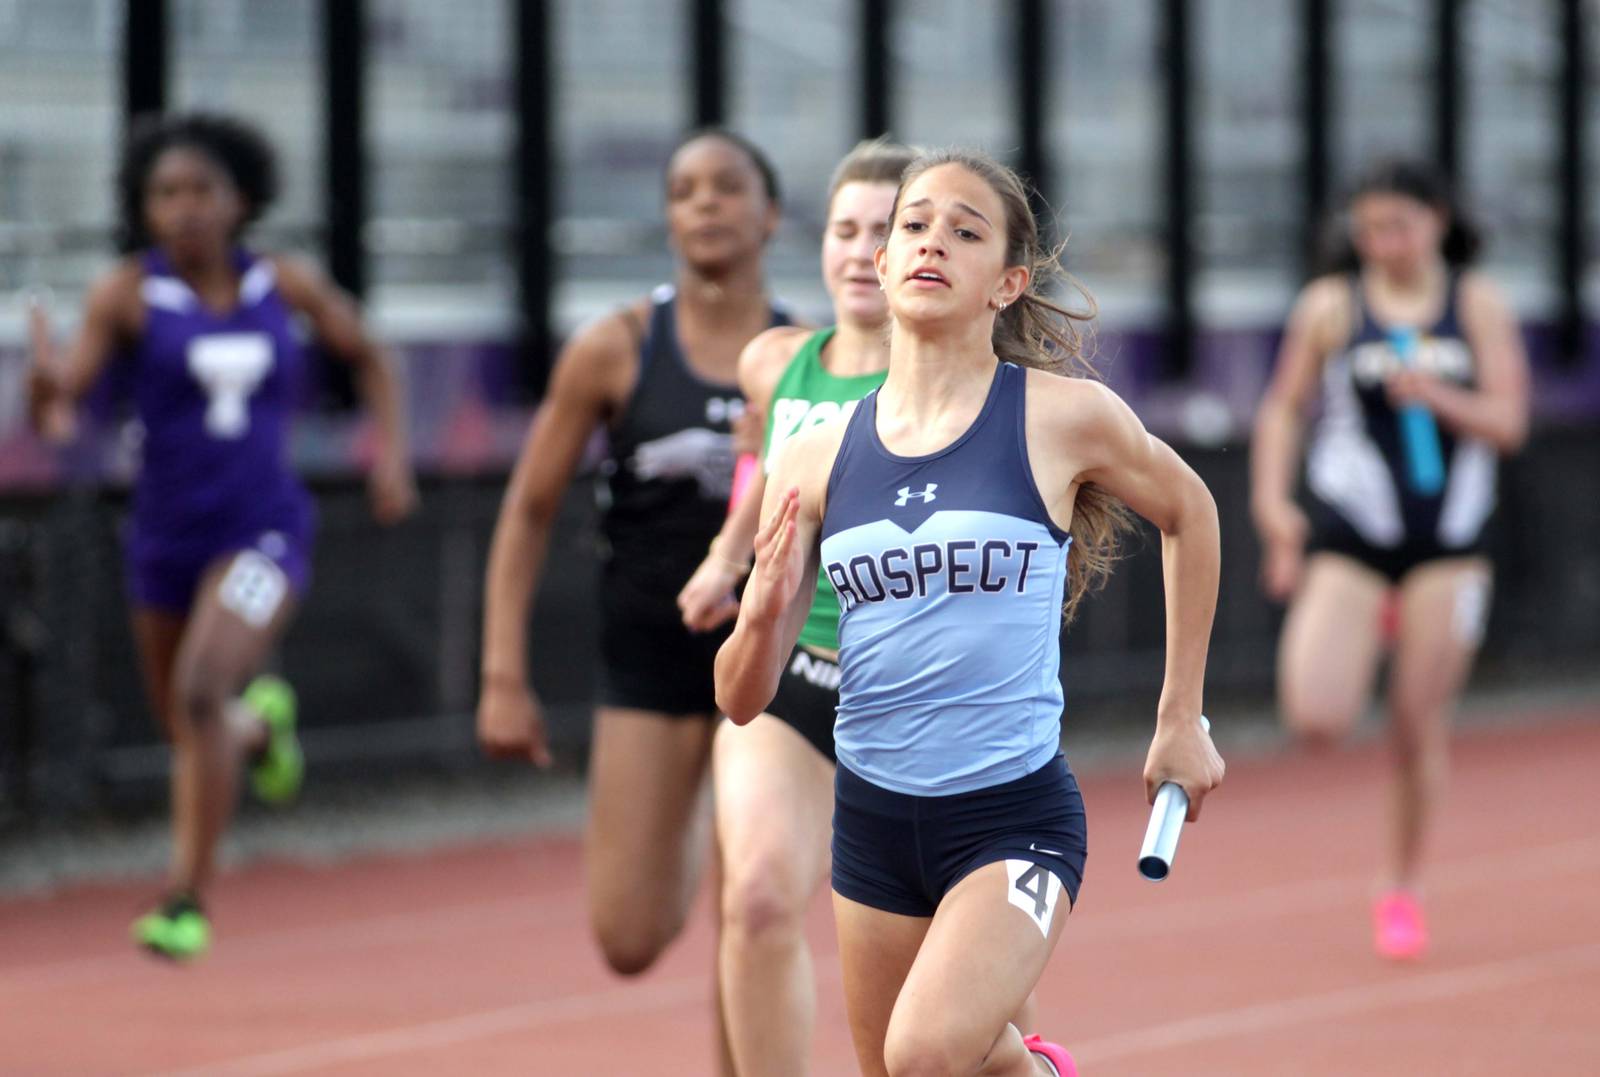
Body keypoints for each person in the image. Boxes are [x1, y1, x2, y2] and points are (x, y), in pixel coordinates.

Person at [715, 150, 1225, 1077]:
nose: (929, 244)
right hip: (870, 821)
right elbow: (742, 700)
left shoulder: (1063, 418)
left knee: (924, 1052)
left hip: (1010, 814)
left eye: (964, 230)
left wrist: (1180, 717)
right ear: (880, 263)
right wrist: (760, 610)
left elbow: (1191, 510)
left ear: (1008, 282)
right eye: (912, 226)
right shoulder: (814, 457)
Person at [25, 112, 417, 960]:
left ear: (241, 199)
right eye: (166, 193)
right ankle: (260, 730)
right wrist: (43, 387)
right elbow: (64, 410)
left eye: (202, 190)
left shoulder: (286, 283)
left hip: (263, 529)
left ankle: (185, 897)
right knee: (189, 724)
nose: (186, 208)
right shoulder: (126, 294)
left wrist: (393, 458)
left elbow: (374, 355)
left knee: (200, 688)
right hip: (163, 538)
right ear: (144, 206)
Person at [475, 130, 787, 1059]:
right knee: (628, 939)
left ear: (770, 214)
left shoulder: (807, 355)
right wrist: (501, 674)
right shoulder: (614, 347)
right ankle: (693, 827)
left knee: (756, 908)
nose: (704, 203)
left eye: (728, 186)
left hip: (765, 666)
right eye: (683, 188)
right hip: (646, 651)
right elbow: (528, 512)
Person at [675, 137, 916, 1076]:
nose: (862, 251)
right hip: (789, 676)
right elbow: (778, 467)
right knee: (761, 895)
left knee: (941, 989)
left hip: (914, 696)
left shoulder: (951, 390)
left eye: (886, 231)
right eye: (845, 230)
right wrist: (725, 558)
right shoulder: (775, 362)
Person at [1250, 159, 1529, 960]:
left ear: (1436, 220)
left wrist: (1437, 395)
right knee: (1316, 714)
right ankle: (1373, 613)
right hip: (1352, 536)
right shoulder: (1333, 306)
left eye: (1397, 226)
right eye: (1367, 229)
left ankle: (1401, 884)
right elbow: (1281, 408)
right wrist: (1276, 511)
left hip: (1450, 545)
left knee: (1415, 722)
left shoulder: (1475, 304)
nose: (1382, 243)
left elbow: (1509, 421)